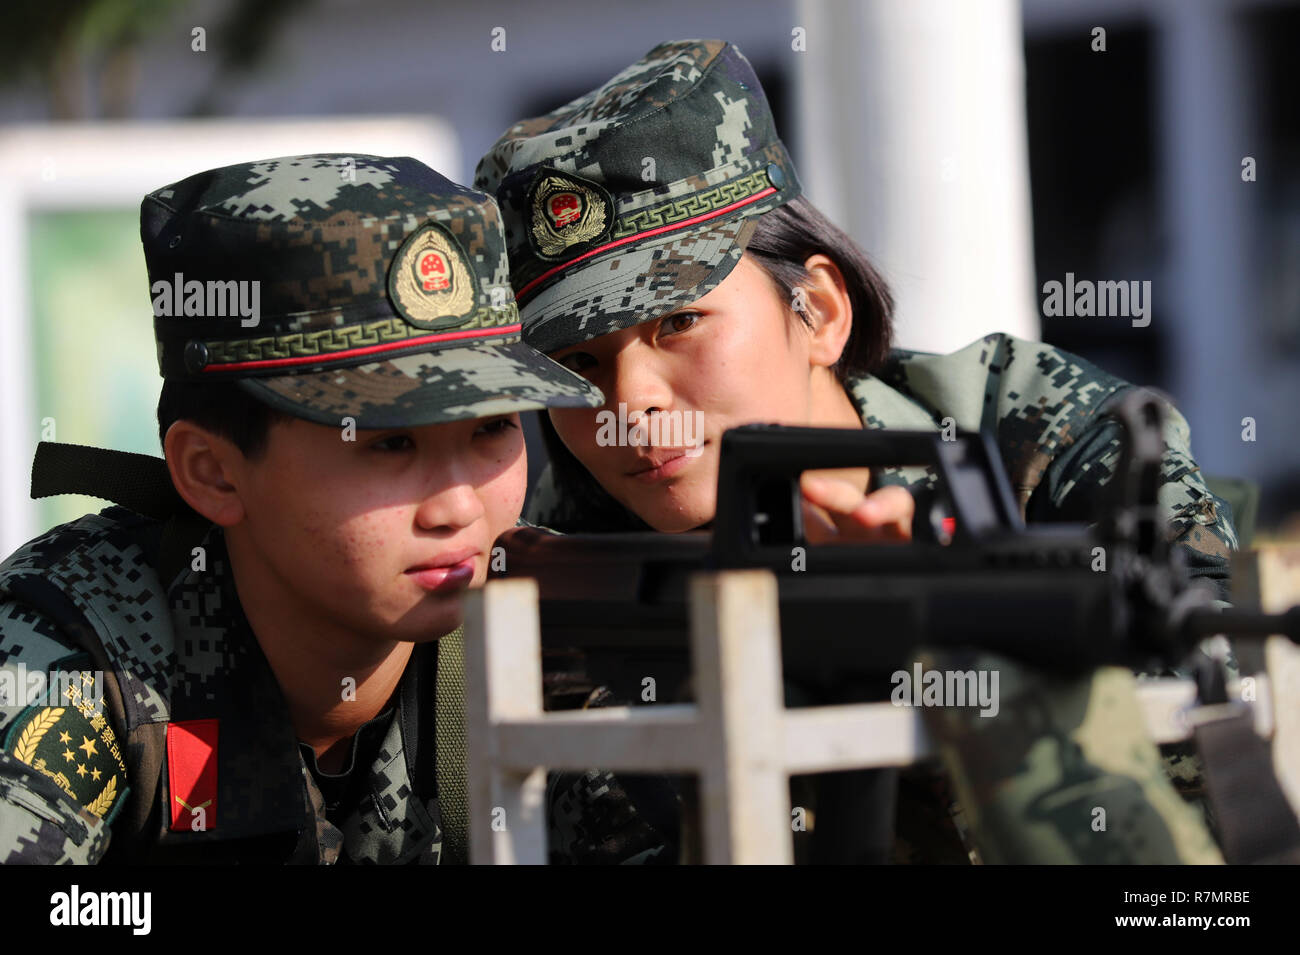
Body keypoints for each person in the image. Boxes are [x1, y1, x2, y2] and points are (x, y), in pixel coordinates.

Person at [475, 39, 1234, 863]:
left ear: (820, 311)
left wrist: (948, 649)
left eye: (678, 322)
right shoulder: (558, 556)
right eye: (577, 363)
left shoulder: (1042, 437)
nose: (630, 404)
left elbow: (1209, 773)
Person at [0, 154, 603, 864]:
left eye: (492, 427)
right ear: (214, 472)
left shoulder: (552, 634)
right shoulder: (69, 660)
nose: (459, 506)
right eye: (392, 444)